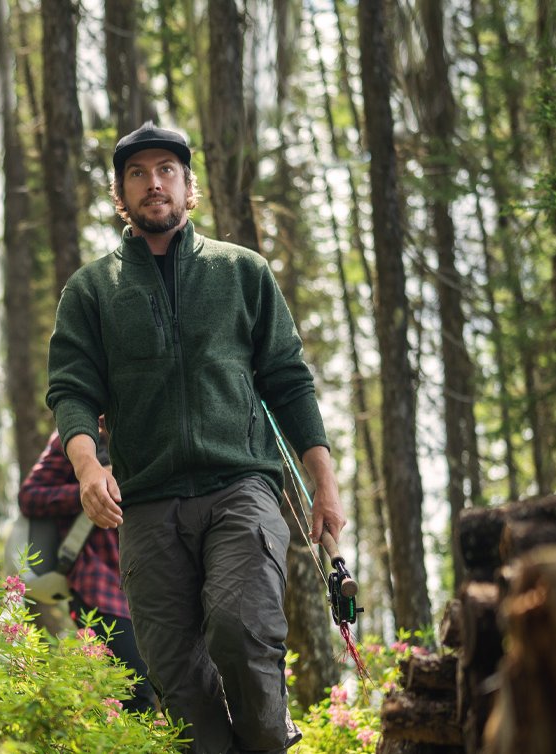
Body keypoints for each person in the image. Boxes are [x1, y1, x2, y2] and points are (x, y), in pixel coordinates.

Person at [44, 122, 346, 753]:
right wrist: (87, 467)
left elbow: (289, 382)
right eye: (137, 173)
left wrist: (325, 484)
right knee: (175, 676)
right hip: (147, 505)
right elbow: (72, 391)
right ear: (120, 195)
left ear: (188, 186)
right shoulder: (91, 291)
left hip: (240, 487)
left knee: (242, 628)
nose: (153, 183)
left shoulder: (242, 273)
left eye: (166, 170)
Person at [18, 427, 159, 715]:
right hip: (99, 584)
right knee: (135, 690)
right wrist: (90, 486)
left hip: (151, 582)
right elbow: (30, 496)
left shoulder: (151, 430)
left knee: (169, 688)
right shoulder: (76, 437)